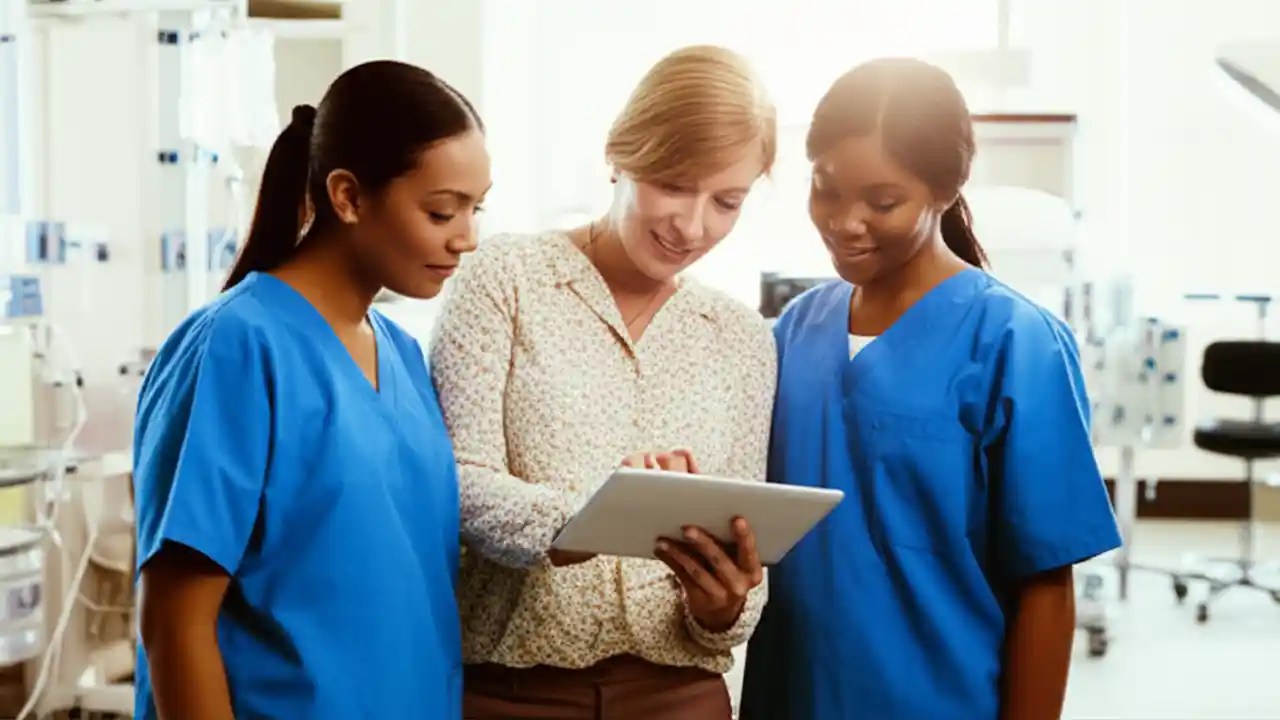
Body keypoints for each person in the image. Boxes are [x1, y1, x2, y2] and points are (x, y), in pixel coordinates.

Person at [738, 58, 1123, 720]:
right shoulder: (797, 329)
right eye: (826, 189)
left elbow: (1044, 584)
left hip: (937, 699)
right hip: (791, 694)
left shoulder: (1013, 342)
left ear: (946, 190)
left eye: (883, 202)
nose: (845, 222)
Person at [132, 60, 490, 720]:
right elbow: (175, 621)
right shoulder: (237, 346)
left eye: (476, 208)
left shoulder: (402, 354)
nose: (466, 238)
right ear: (348, 197)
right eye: (441, 211)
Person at [429, 45, 777, 719]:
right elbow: (458, 482)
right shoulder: (506, 278)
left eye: (726, 201)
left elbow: (746, 550)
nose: (692, 225)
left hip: (681, 699)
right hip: (510, 695)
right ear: (620, 155)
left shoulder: (741, 338)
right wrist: (598, 516)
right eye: (673, 185)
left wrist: (725, 605)